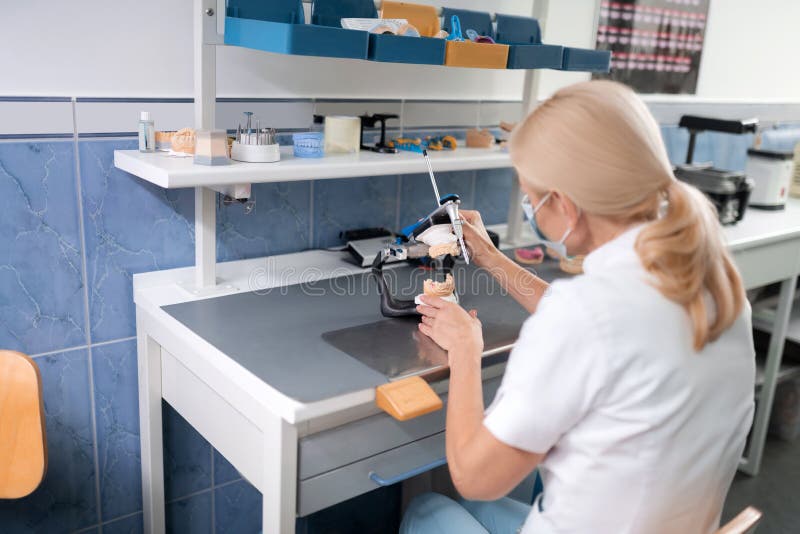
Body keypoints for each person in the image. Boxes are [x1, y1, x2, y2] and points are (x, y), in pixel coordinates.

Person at [401, 80, 755, 534]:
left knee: (428, 509)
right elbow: (602, 325)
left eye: (531, 196)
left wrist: (466, 351)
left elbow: (474, 477)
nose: (529, 206)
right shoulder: (716, 283)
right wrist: (490, 256)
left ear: (565, 206)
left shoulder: (585, 315)